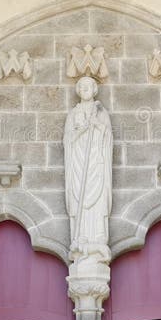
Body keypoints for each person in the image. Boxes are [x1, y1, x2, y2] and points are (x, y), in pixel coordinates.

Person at [64, 76, 113, 264]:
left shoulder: (101, 112)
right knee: (79, 196)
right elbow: (68, 139)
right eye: (81, 86)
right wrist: (83, 128)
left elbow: (108, 137)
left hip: (96, 162)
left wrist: (97, 124)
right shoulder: (73, 113)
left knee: (98, 197)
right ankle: (81, 236)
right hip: (78, 162)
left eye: (88, 86)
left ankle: (98, 235)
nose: (84, 89)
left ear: (94, 90)